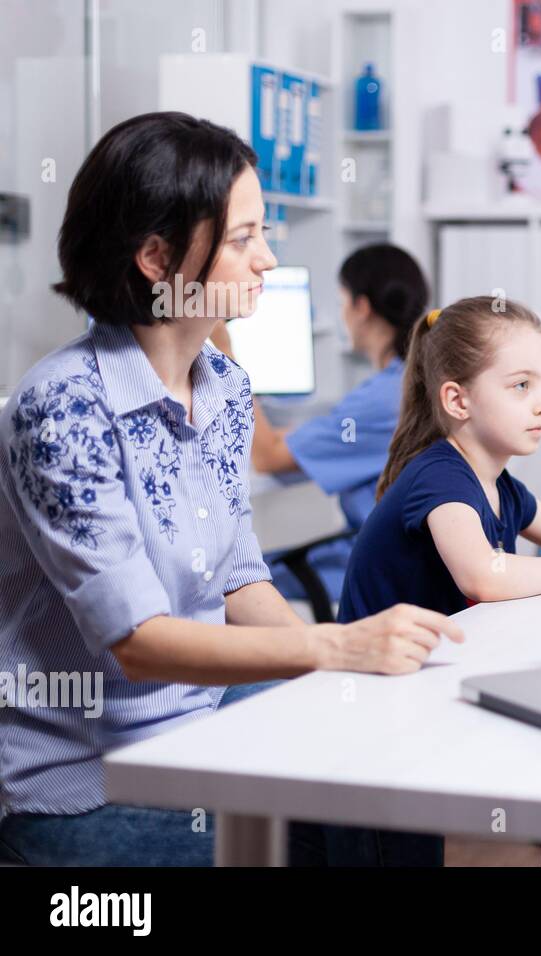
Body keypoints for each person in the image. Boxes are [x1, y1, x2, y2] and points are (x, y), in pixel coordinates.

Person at [0, 111, 462, 866]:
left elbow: (240, 574)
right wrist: (334, 646)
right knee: (315, 837)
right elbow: (139, 644)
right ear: (156, 257)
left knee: (389, 763)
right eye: (244, 238)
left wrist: (339, 667)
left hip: (203, 722)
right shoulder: (63, 409)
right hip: (91, 780)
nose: (268, 259)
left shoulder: (221, 387)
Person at [339, 295, 541, 865]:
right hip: (378, 712)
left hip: (427, 686)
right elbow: (483, 577)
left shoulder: (499, 483)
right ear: (457, 399)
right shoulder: (440, 477)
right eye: (521, 386)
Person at [209, 243, 429, 611]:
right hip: (399, 558)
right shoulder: (407, 382)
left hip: (376, 565)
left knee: (224, 583)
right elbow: (292, 442)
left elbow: (267, 457)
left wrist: (225, 353)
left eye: (343, 302)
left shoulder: (383, 398)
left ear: (361, 307)